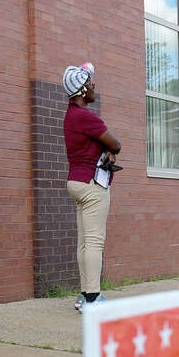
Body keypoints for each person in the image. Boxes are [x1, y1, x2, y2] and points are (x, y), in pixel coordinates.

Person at [63, 63, 121, 311]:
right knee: (95, 241)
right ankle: (92, 298)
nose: (93, 87)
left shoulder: (70, 116)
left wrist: (105, 149)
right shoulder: (86, 116)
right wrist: (110, 149)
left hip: (76, 182)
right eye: (89, 84)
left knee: (84, 243)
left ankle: (84, 294)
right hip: (92, 184)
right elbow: (116, 144)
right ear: (81, 89)